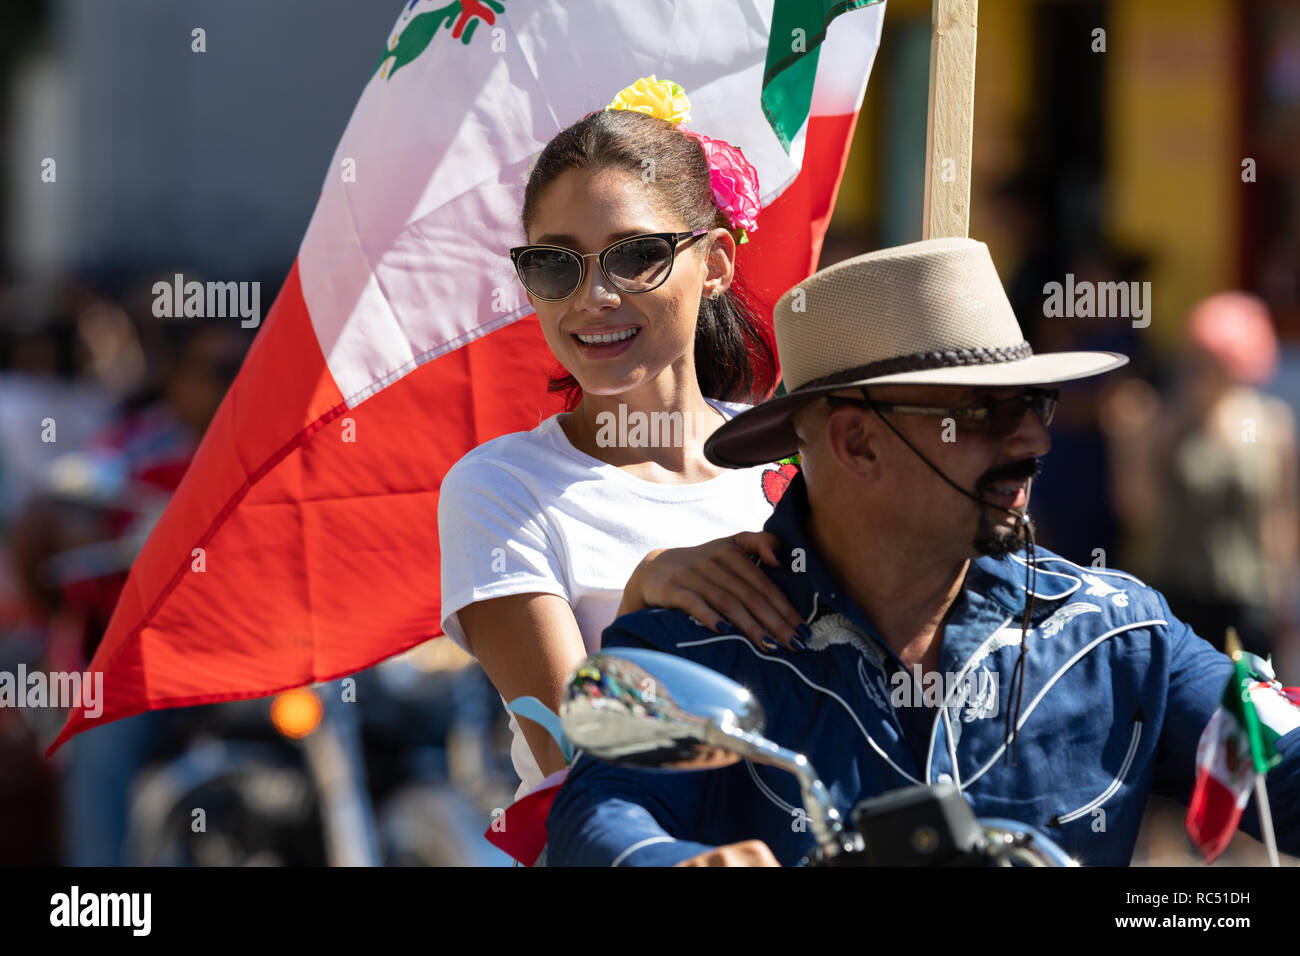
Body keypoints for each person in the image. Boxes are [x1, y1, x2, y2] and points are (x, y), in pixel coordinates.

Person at [546, 237, 1300, 867]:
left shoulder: (1122, 634)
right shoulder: (698, 633)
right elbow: (598, 819)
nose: (1034, 439)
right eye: (986, 413)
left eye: (1035, 404)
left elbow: (1279, 762)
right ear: (858, 442)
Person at [437, 77, 808, 817]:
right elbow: (574, 775)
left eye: (635, 255)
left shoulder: (803, 463)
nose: (593, 297)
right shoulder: (502, 489)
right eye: (554, 264)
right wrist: (641, 595)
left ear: (719, 265)